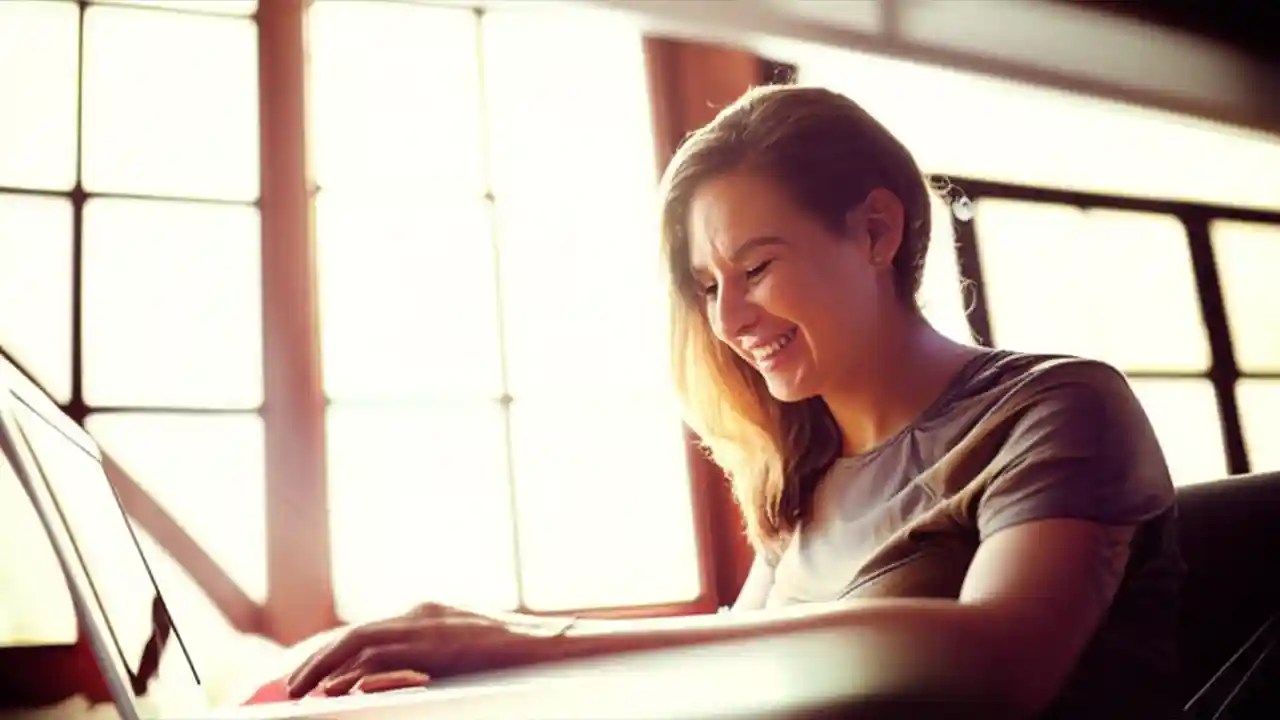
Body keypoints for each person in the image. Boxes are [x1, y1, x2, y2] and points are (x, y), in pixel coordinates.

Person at [283, 85, 1182, 718]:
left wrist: (530, 637)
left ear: (875, 230)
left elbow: (1003, 661)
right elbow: (738, 667)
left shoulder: (1057, 409)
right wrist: (472, 678)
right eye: (709, 287)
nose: (731, 319)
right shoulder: (806, 471)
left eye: (754, 268)